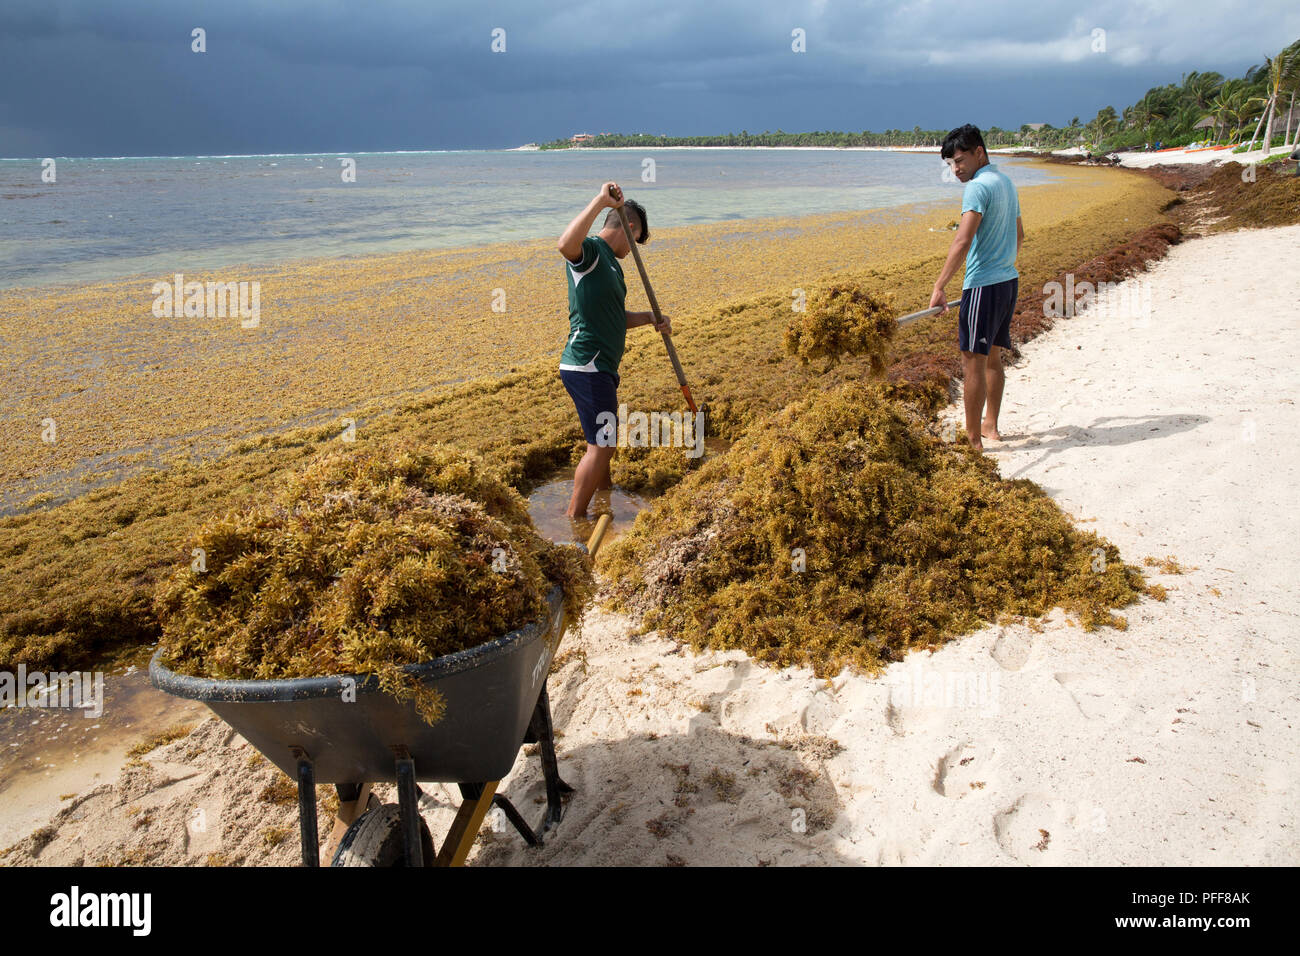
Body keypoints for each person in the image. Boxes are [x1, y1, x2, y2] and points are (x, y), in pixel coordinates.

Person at [556, 181, 671, 518]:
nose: (633, 249)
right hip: (586, 365)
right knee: (603, 443)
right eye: (636, 241)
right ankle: (575, 519)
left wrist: (651, 318)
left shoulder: (613, 267)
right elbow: (565, 245)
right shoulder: (591, 251)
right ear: (629, 228)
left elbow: (615, 318)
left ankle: (604, 496)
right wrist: (599, 202)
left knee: (603, 440)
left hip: (601, 368)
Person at [930, 124, 1024, 452]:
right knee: (993, 358)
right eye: (950, 164)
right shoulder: (1006, 182)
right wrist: (1002, 262)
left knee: (973, 360)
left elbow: (963, 239)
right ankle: (990, 427)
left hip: (984, 286)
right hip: (1007, 282)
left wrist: (940, 286)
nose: (956, 169)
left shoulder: (977, 187)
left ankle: (973, 443)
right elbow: (1019, 235)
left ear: (979, 153)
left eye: (959, 161)